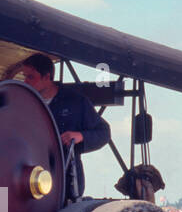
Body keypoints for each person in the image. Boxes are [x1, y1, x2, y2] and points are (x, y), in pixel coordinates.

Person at [9, 52, 110, 196]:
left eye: (31, 77)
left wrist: (81, 136)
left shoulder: (76, 102)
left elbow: (104, 133)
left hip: (65, 186)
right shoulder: (21, 103)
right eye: (24, 76)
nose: (26, 82)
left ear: (47, 77)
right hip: (26, 184)